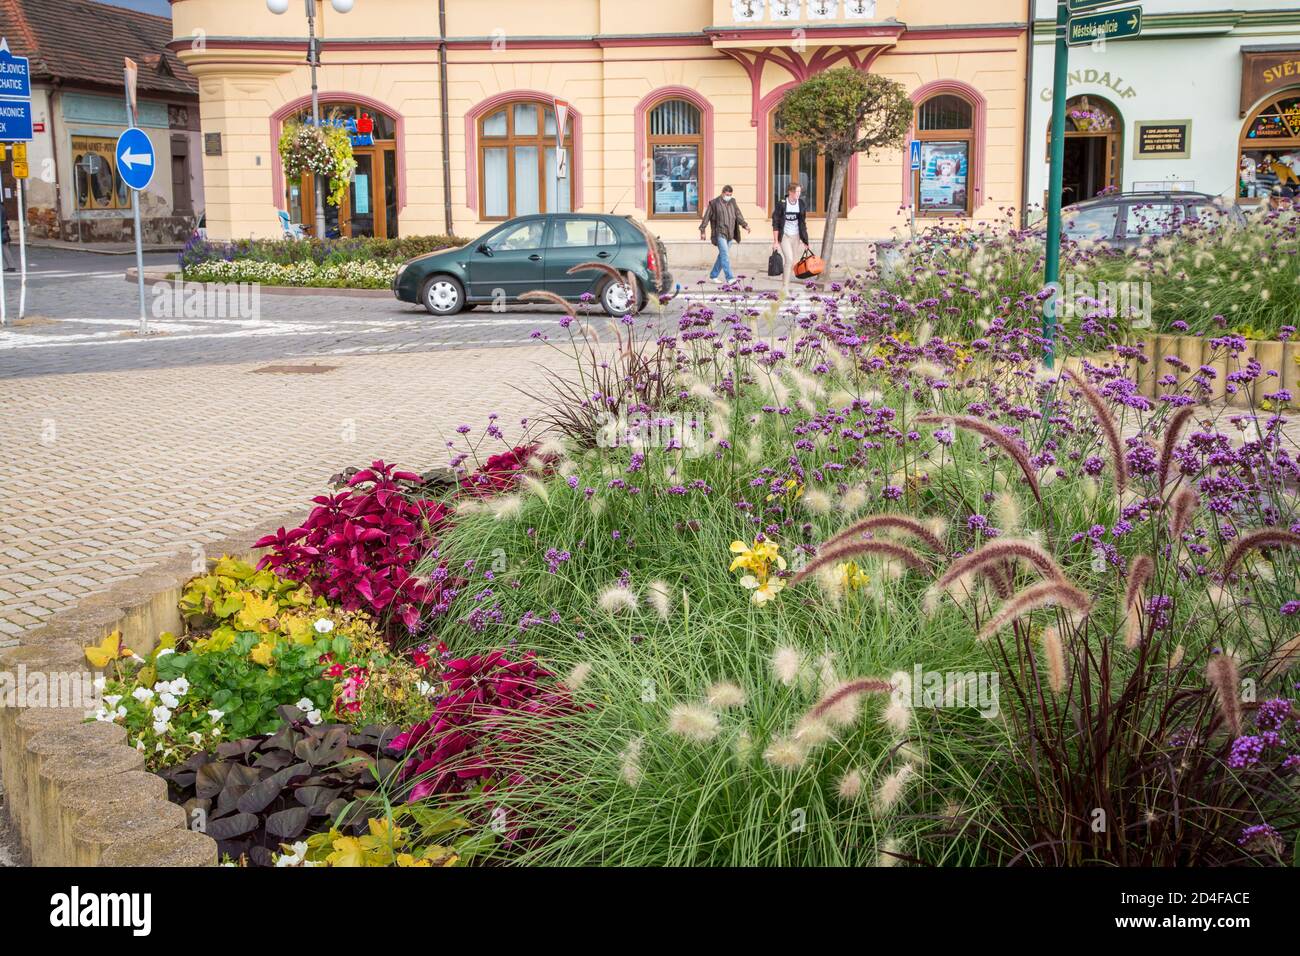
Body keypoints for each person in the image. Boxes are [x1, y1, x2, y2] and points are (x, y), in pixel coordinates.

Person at [698, 185, 749, 284]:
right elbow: (706, 217)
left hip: (730, 233)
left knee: (722, 255)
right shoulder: (714, 203)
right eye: (727, 194)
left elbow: (738, 215)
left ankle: (713, 275)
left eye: (730, 195)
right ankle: (730, 278)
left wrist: (745, 225)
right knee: (725, 255)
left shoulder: (732, 202)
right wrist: (702, 230)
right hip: (720, 233)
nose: (728, 196)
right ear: (722, 193)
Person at [772, 181, 810, 290]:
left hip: (796, 236)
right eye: (797, 192)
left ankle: (786, 283)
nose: (799, 194)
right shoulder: (782, 203)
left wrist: (805, 241)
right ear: (790, 192)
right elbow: (775, 223)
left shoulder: (801, 204)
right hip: (785, 236)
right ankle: (785, 288)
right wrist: (775, 241)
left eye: (799, 192)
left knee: (793, 262)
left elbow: (803, 223)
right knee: (788, 259)